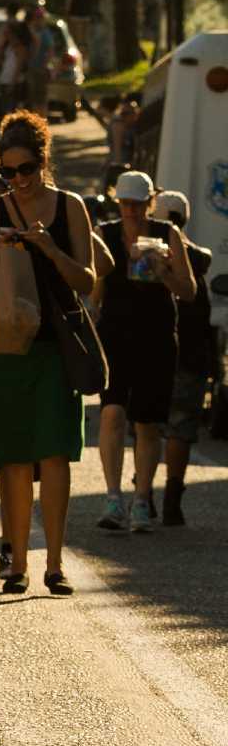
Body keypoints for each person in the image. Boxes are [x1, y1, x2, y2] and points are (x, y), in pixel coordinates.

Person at [0, 110, 96, 595]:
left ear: (44, 161)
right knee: (14, 458)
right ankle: (18, 563)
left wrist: (48, 248)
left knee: (53, 456)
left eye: (26, 170)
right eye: (8, 172)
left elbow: (86, 280)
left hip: (55, 346)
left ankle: (55, 563)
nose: (18, 181)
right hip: (4, 346)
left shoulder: (70, 207)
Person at [91, 170, 196, 534]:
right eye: (125, 204)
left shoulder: (167, 234)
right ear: (117, 202)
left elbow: (189, 290)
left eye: (137, 204)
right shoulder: (104, 234)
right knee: (112, 413)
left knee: (147, 422)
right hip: (115, 334)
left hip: (156, 336)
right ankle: (112, 496)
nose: (131, 211)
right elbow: (95, 291)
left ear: (150, 202)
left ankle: (141, 499)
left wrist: (164, 271)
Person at [157, 191, 215, 525]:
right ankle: (171, 496)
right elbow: (205, 318)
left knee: (147, 427)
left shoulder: (147, 256)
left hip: (155, 354)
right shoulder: (198, 262)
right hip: (190, 357)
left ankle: (143, 496)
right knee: (180, 429)